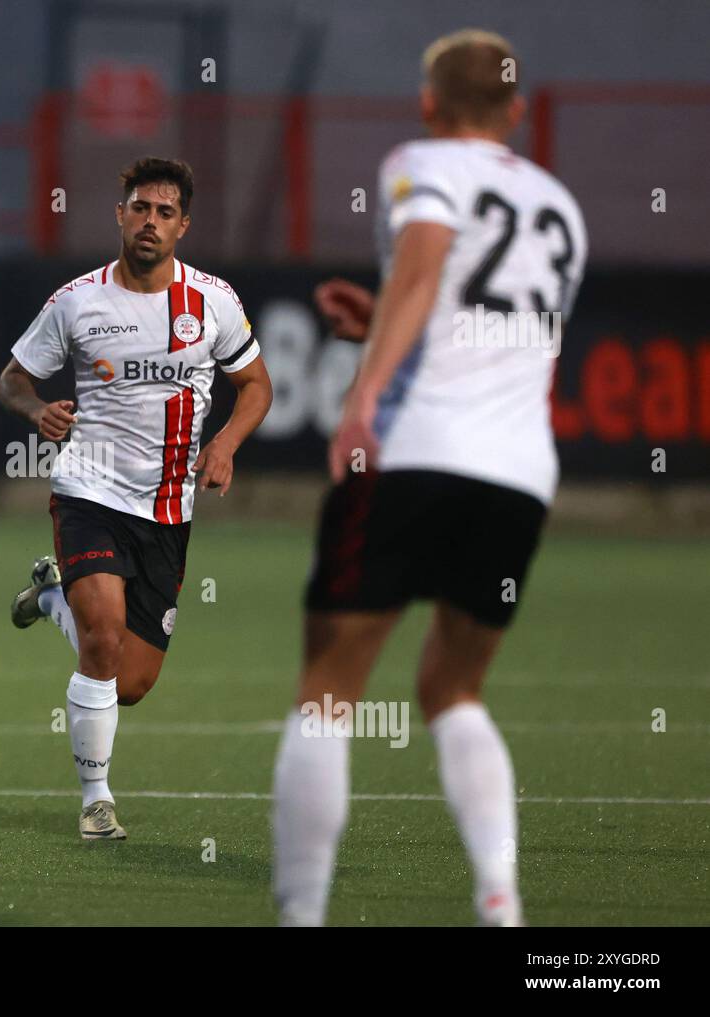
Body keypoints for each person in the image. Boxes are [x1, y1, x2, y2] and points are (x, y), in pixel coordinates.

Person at [273, 29, 587, 925]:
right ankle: (500, 900)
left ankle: (301, 913)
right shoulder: (560, 204)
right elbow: (490, 324)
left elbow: (423, 272)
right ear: (517, 110)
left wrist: (366, 389)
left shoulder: (424, 162)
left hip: (415, 453)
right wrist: (380, 321)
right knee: (453, 689)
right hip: (519, 475)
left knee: (326, 690)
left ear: (428, 103)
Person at [0, 157, 273, 840]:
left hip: (168, 509)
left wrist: (227, 444)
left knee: (131, 682)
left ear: (184, 225)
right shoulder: (77, 300)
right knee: (101, 641)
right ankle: (97, 802)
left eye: (165, 211)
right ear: (119, 214)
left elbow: (258, 385)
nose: (150, 220)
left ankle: (52, 595)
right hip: (89, 489)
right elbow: (10, 381)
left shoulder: (212, 301)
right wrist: (36, 412)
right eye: (139, 207)